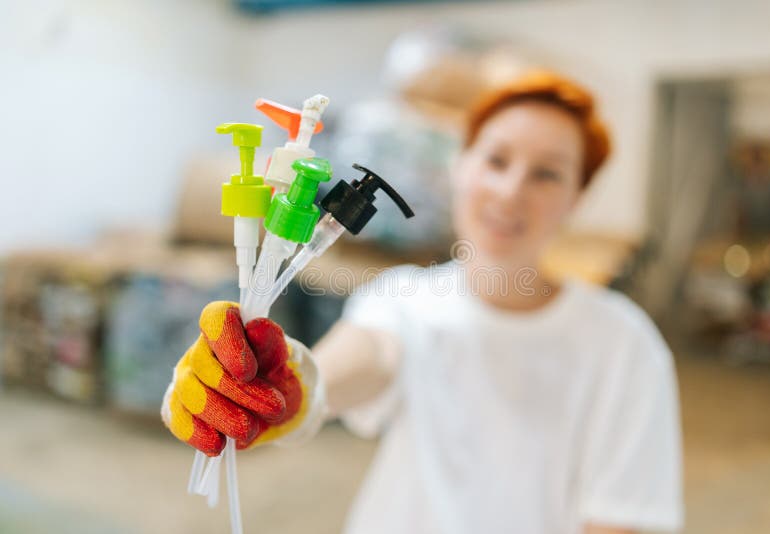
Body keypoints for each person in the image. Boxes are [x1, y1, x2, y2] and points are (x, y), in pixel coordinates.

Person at [162, 70, 684, 534]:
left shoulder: (623, 343)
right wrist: (293, 387)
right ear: (460, 168)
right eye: (496, 159)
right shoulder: (405, 297)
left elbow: (618, 519)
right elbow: (366, 358)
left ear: (577, 197)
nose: (510, 191)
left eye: (547, 173)